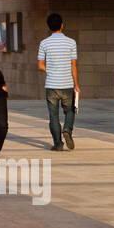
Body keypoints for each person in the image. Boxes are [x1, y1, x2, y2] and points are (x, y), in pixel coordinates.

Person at [38, 12, 79, 150]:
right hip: (67, 84)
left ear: (49, 27)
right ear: (62, 25)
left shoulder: (44, 43)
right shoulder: (71, 42)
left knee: (53, 115)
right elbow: (73, 65)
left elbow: (40, 65)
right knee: (70, 110)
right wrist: (77, 85)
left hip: (51, 85)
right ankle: (67, 129)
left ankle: (58, 144)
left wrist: (50, 71)